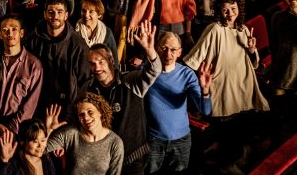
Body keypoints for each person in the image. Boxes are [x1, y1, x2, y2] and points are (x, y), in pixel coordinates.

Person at [182, 0, 269, 166]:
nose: (230, 13)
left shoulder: (243, 29)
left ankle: (237, 158)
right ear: (219, 12)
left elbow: (254, 64)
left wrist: (252, 50)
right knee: (226, 130)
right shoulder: (214, 29)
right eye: (225, 10)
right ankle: (227, 163)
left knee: (239, 129)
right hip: (223, 90)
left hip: (242, 88)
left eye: (233, 9)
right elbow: (193, 59)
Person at [84, 22, 161, 175]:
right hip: (106, 160)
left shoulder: (130, 81)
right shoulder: (89, 90)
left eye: (101, 62)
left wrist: (149, 50)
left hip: (133, 159)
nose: (97, 68)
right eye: (93, 64)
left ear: (112, 61)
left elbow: (154, 70)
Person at [144, 30, 212, 174]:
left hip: (181, 140)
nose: (168, 54)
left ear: (180, 52)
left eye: (173, 49)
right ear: (156, 48)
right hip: (154, 139)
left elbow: (205, 111)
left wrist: (205, 91)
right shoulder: (146, 72)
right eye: (164, 48)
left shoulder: (187, 74)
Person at [27, 0, 90, 113]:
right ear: (45, 14)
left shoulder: (79, 45)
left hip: (66, 107)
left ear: (66, 15)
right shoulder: (32, 40)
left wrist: (74, 109)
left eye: (59, 12)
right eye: (51, 12)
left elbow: (84, 82)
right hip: (36, 103)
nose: (55, 16)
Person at [43, 93, 125, 175]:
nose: (86, 117)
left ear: (100, 112)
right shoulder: (70, 134)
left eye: (90, 112)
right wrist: (48, 130)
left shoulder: (115, 142)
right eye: (81, 114)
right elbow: (39, 150)